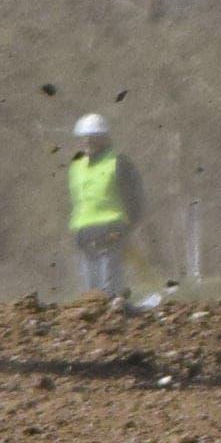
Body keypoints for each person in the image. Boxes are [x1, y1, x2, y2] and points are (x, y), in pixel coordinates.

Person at [63, 110, 139, 305]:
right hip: (84, 231)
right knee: (90, 287)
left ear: (104, 138)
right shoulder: (76, 166)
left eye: (93, 138)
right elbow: (76, 200)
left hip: (111, 227)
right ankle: (94, 314)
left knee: (110, 283)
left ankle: (114, 309)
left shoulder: (118, 162)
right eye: (84, 138)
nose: (87, 142)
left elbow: (135, 198)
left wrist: (128, 227)